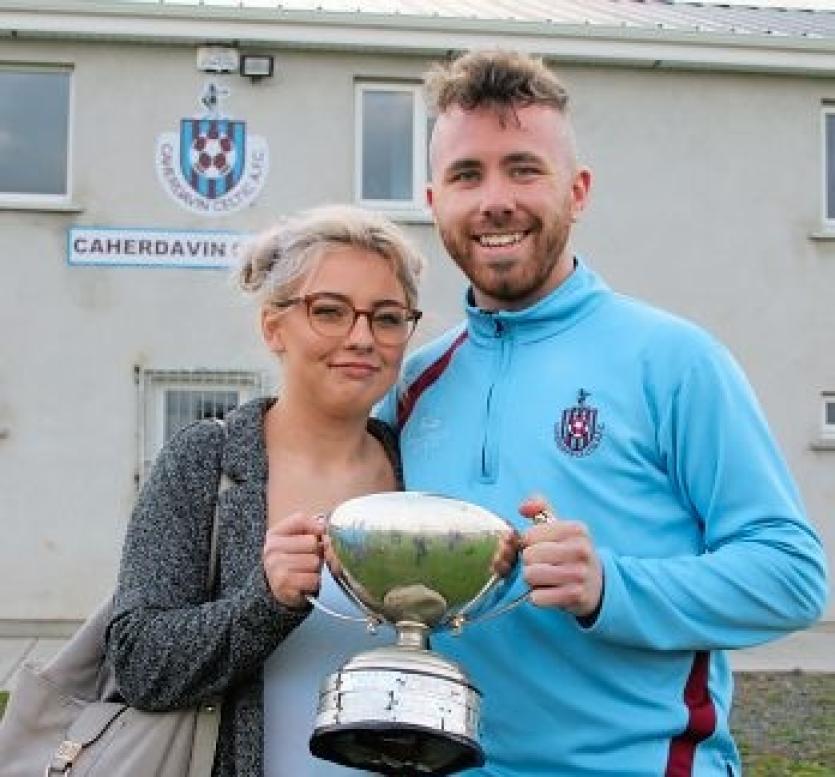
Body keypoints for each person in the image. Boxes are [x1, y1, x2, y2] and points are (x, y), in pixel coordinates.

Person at [377, 50, 829, 776]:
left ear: (576, 191)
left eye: (524, 168)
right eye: (467, 174)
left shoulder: (674, 361)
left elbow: (791, 577)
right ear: (434, 201)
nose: (495, 199)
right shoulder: (409, 385)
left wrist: (610, 586)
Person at [106, 205, 426, 776]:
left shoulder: (418, 468)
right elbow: (137, 660)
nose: (361, 338)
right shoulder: (209, 461)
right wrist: (267, 602)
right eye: (329, 312)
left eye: (386, 317)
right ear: (273, 326)